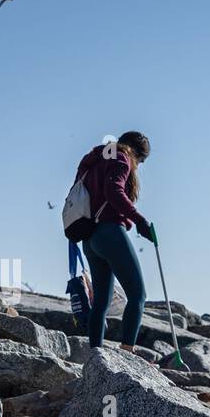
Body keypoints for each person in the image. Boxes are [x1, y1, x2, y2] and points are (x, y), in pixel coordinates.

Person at [74, 131, 154, 351]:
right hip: (110, 233)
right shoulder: (122, 158)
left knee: (100, 303)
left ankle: (95, 356)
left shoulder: (94, 161)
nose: (138, 165)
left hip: (90, 238)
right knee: (138, 295)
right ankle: (127, 352)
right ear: (136, 153)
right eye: (141, 161)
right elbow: (113, 190)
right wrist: (139, 220)